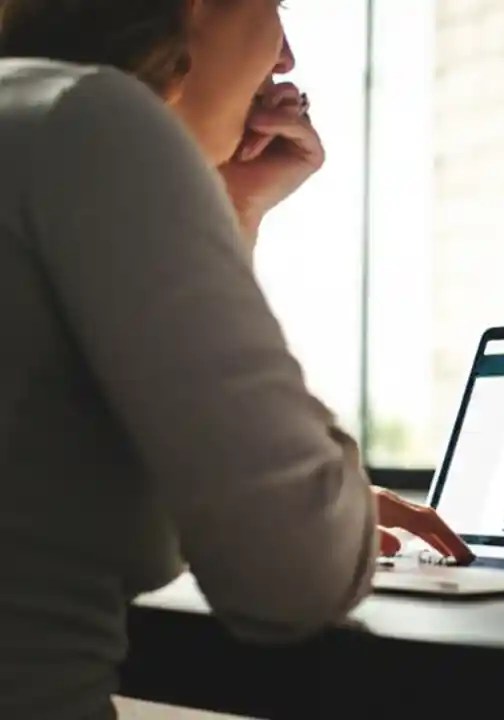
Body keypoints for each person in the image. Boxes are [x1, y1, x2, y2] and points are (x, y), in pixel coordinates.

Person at [0, 0, 472, 716]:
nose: (284, 59)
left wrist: (233, 213)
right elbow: (292, 578)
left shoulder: (28, 120)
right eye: (275, 7)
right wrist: (311, 506)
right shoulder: (94, 118)